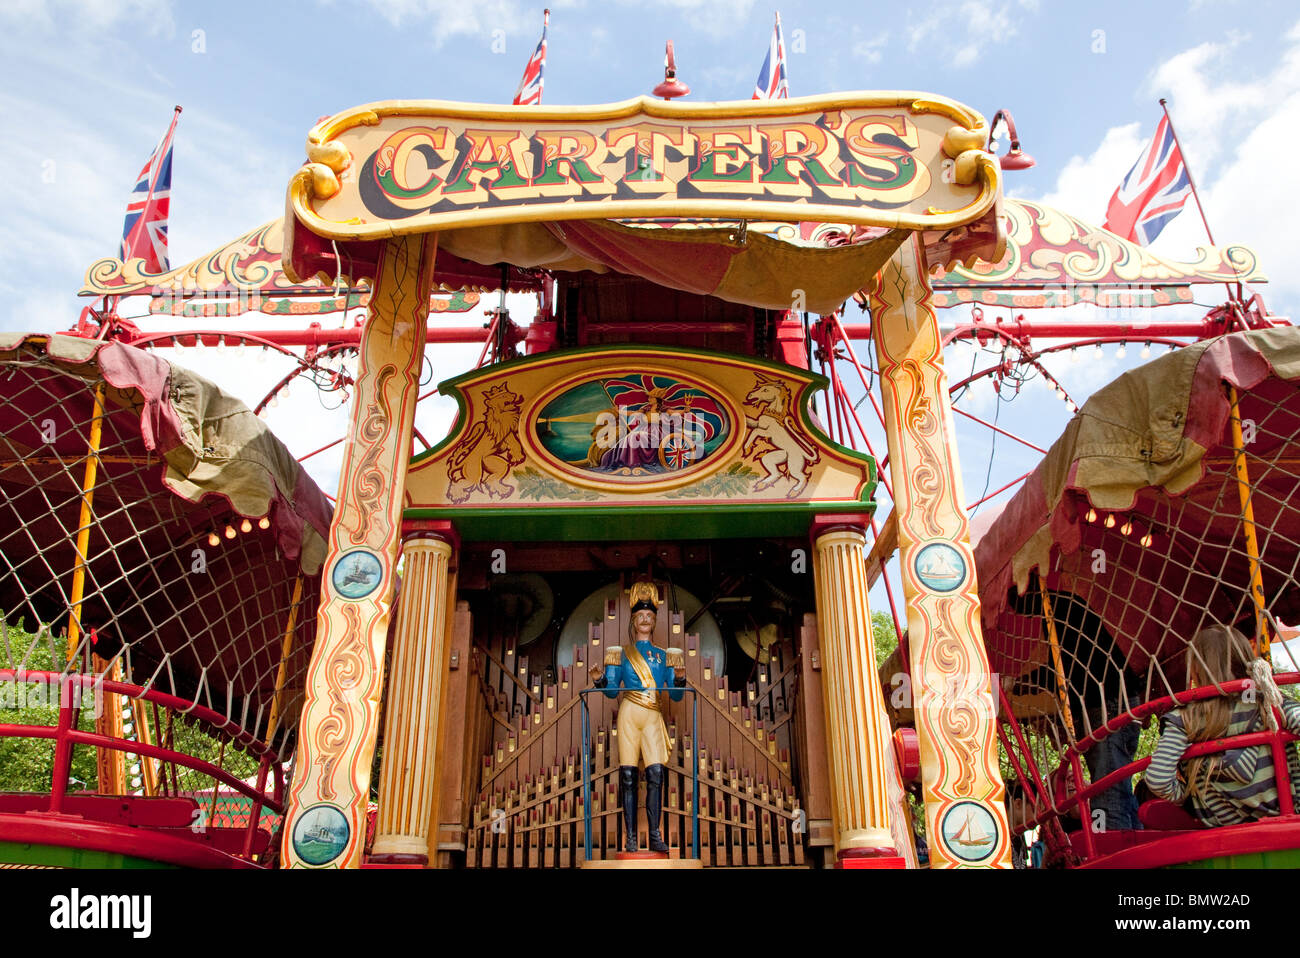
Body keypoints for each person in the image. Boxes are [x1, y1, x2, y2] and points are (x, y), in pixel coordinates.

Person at [1145, 624, 1300, 827]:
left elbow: (1158, 778)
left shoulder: (1184, 718)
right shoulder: (1268, 703)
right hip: (1286, 815)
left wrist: (1187, 796)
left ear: (1196, 669)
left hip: (1225, 827)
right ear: (1244, 658)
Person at [589, 581, 687, 853]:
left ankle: (655, 834)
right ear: (633, 620)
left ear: (654, 621)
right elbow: (611, 692)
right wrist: (598, 679)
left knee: (656, 773)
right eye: (641, 616)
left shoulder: (665, 655)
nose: (645, 620)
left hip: (654, 714)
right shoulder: (620, 654)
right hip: (630, 713)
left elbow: (675, 697)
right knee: (629, 775)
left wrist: (679, 679)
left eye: (650, 616)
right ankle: (630, 837)